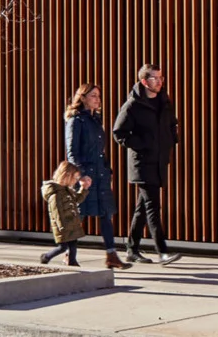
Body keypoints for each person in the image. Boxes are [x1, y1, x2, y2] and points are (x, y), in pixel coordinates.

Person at [113, 63, 180, 265]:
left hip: (159, 162)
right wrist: (144, 145)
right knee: (153, 207)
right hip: (142, 164)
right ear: (144, 81)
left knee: (142, 208)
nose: (159, 81)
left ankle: (132, 249)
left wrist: (171, 139)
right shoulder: (132, 105)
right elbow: (119, 133)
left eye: (161, 77)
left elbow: (172, 123)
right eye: (155, 78)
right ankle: (163, 252)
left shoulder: (164, 101)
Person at [63, 82, 126, 270]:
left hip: (100, 175)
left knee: (106, 214)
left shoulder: (96, 120)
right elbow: (72, 152)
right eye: (93, 96)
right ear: (83, 98)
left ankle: (111, 256)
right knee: (79, 215)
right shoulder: (76, 121)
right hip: (85, 177)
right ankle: (70, 255)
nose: (98, 99)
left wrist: (107, 170)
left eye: (98, 96)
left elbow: (100, 150)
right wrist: (81, 175)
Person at [39, 160, 89, 266]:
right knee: (63, 247)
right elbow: (57, 212)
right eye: (75, 178)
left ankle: (72, 261)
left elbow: (77, 200)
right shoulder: (55, 194)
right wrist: (62, 227)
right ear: (67, 176)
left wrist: (83, 189)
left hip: (70, 224)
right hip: (63, 226)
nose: (76, 181)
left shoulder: (66, 190)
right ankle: (46, 257)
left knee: (73, 244)